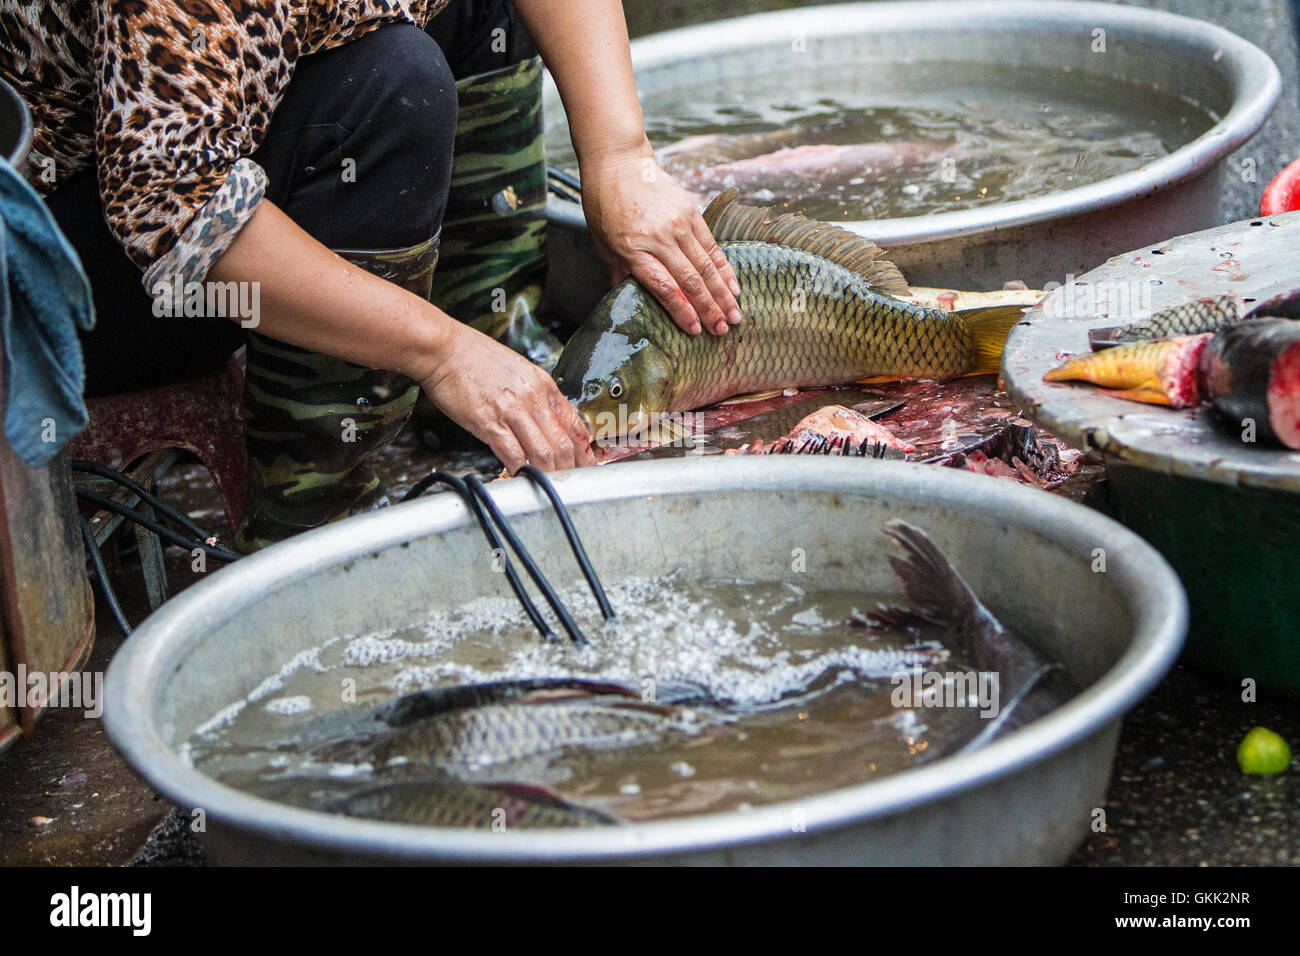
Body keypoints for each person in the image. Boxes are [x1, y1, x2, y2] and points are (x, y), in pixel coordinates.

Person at [0, 0, 743, 550]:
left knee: (484, 11)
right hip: (73, 282)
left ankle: (498, 362)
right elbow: (168, 211)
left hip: (197, 152)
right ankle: (313, 516)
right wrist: (440, 351)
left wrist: (619, 157)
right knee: (391, 82)